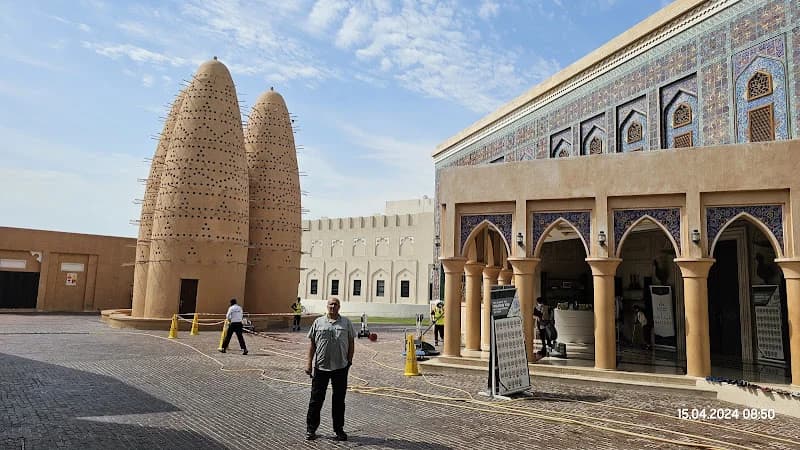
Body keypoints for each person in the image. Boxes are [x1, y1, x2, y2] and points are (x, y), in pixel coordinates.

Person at [305, 297, 354, 442]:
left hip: (340, 367)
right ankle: (311, 429)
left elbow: (351, 343)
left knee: (339, 400)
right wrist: (309, 363)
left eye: (336, 304)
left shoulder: (346, 323)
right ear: (327, 306)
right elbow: (312, 344)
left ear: (339, 307)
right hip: (321, 367)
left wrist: (349, 362)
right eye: (331, 304)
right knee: (316, 399)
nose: (333, 306)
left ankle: (338, 430)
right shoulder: (318, 322)